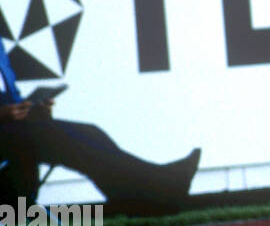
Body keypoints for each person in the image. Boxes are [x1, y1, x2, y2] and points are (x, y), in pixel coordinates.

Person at [0, 34, 201, 215]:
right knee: (57, 137)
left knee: (90, 132)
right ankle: (160, 190)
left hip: (12, 127)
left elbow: (12, 97)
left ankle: (143, 194)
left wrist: (30, 108)